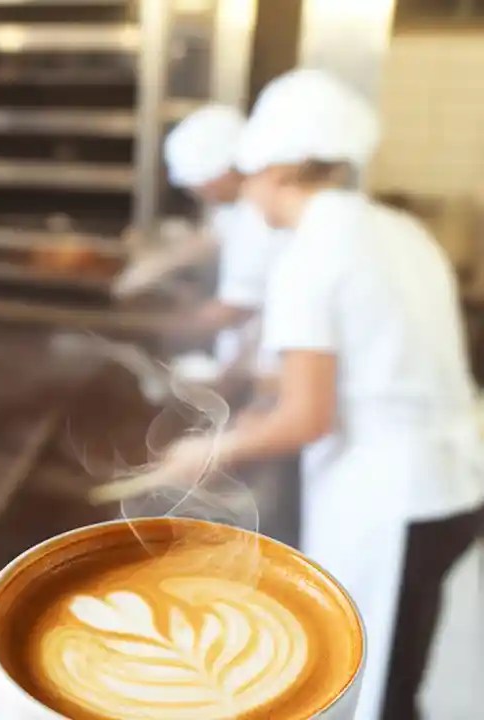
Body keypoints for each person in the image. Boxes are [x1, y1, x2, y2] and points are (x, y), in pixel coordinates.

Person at [154, 70, 484, 720]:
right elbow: (368, 362)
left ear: (276, 171)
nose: (249, 196)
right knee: (401, 666)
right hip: (457, 486)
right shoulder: (397, 230)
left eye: (249, 178)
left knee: (367, 685)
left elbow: (308, 416)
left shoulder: (310, 254)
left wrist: (208, 451)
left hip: (393, 501)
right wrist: (258, 406)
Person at [120, 105, 284, 382]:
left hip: (264, 368)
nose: (196, 193)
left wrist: (162, 329)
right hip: (243, 357)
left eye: (198, 184)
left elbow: (235, 309)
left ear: (222, 173)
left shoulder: (260, 216)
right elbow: (210, 238)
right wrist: (157, 265)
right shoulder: (238, 203)